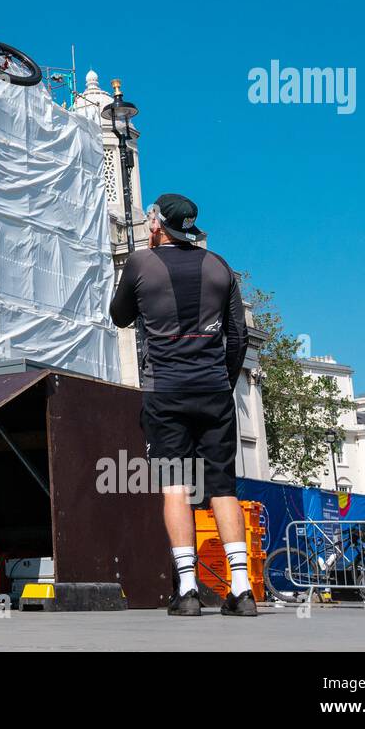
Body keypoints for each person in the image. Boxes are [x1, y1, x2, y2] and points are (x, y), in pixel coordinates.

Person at [109, 193, 252, 617]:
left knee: (175, 485)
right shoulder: (220, 266)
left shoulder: (141, 264)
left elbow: (118, 316)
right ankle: (242, 589)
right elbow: (238, 336)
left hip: (165, 391)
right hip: (213, 391)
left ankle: (187, 590)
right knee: (223, 488)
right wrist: (223, 383)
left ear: (156, 224)